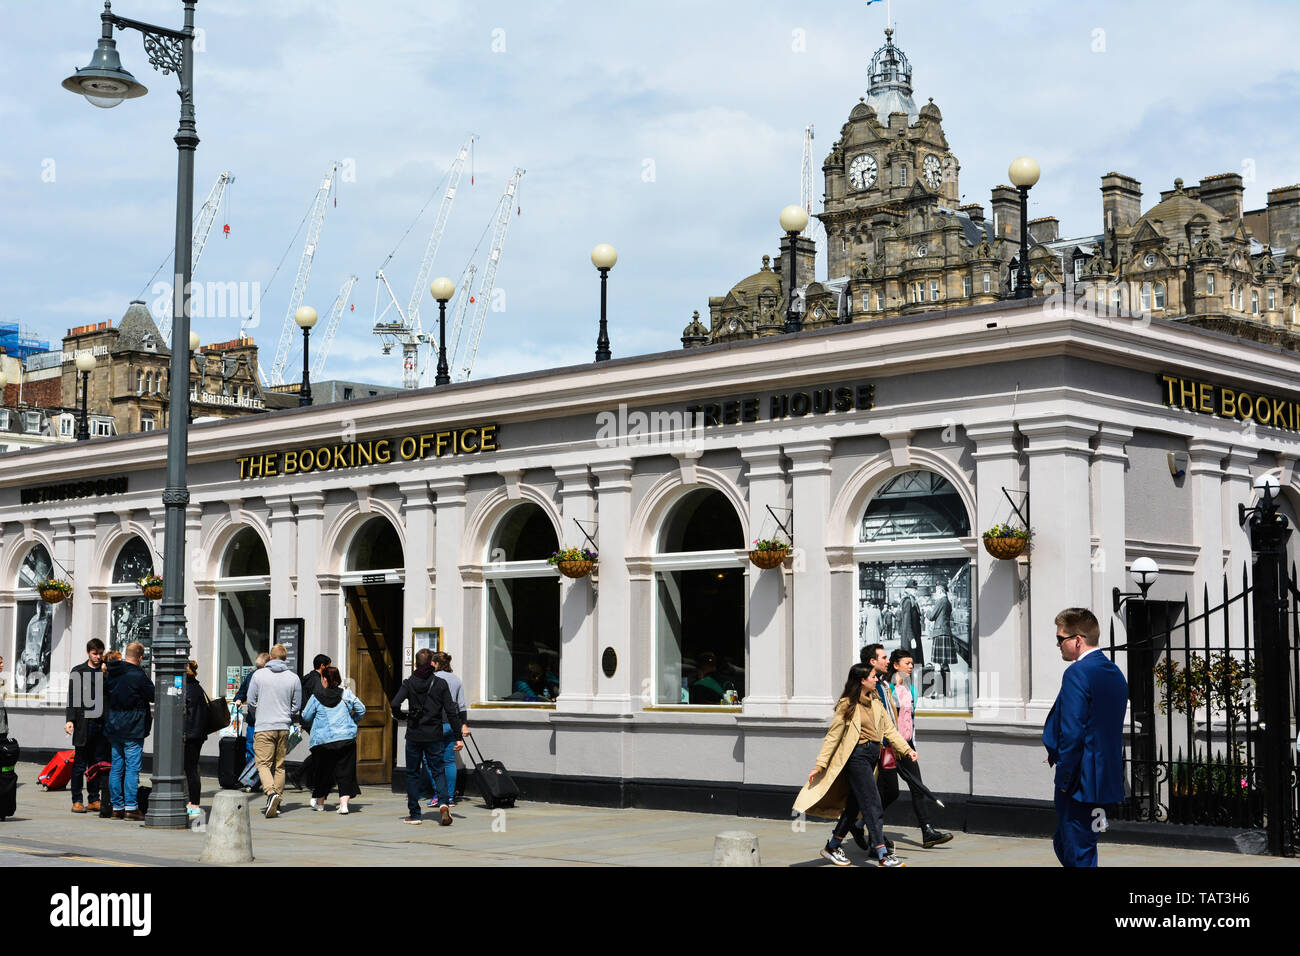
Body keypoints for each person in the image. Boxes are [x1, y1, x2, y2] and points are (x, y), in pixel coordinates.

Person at [793, 663, 916, 867]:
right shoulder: (847, 704)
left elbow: (890, 730)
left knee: (854, 806)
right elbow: (833, 736)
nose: (877, 679)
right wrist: (820, 765)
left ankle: (832, 847)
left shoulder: (875, 702)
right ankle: (883, 855)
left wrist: (906, 750)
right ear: (862, 680)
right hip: (856, 758)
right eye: (873, 676)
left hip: (871, 758)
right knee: (873, 804)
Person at [1043, 607, 1127, 867]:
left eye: (1060, 639)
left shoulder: (1077, 673)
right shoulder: (1114, 672)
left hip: (1081, 783)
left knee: (1078, 850)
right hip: (1106, 781)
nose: (1058, 645)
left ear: (1077, 640)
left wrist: (1064, 779)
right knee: (1073, 843)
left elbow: (1072, 732)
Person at [882, 648, 953, 848]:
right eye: (907, 663)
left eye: (912, 664)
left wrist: (912, 744)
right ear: (896, 665)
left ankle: (928, 832)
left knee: (918, 787)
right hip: (889, 748)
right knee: (888, 792)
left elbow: (910, 720)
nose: (911, 667)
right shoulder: (886, 689)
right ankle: (864, 824)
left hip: (907, 745)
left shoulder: (910, 689)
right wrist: (893, 745)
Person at [392, 648, 463, 826]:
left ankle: (415, 815)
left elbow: (394, 703)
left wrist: (402, 717)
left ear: (415, 664)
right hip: (434, 735)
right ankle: (444, 802)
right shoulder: (440, 683)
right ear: (432, 663)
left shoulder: (409, 683)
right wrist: (458, 736)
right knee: (438, 770)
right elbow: (451, 712)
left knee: (413, 774)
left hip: (415, 735)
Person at [247, 644, 302, 819]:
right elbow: (296, 706)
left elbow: (251, 702)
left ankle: (271, 794)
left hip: (264, 725)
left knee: (263, 764)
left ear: (270, 657)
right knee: (279, 765)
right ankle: (277, 801)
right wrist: (286, 714)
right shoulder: (293, 678)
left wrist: (259, 715)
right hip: (283, 727)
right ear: (285, 658)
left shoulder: (259, 675)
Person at [300, 665, 365, 814]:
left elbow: (305, 716)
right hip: (346, 738)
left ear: (324, 679)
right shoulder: (346, 694)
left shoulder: (316, 696)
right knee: (346, 771)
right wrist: (353, 721)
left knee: (322, 772)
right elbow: (361, 709)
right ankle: (344, 805)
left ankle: (320, 803)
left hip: (323, 741)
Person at [104, 641, 154, 821]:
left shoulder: (112, 672)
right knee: (132, 769)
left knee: (117, 768)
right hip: (133, 726)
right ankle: (131, 808)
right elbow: (153, 695)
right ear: (140, 658)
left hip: (114, 725)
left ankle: (117, 806)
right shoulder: (138, 675)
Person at [65, 639, 109, 814]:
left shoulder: (106, 671)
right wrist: (70, 720)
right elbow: (73, 699)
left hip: (101, 723)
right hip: (84, 723)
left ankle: (94, 798)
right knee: (80, 764)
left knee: (97, 763)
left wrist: (106, 675)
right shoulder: (78, 671)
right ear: (88, 653)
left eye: (100, 653)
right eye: (95, 653)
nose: (98, 657)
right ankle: (77, 800)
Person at [428, 651, 469, 809]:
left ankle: (439, 794)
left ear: (436, 664)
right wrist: (463, 723)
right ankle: (450, 797)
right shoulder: (456, 680)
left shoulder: (433, 679)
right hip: (453, 723)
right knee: (449, 760)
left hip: (436, 723)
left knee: (430, 759)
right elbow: (462, 705)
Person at [293, 654, 332, 791]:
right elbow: (319, 699)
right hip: (314, 719)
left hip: (307, 718)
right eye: (328, 666)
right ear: (322, 666)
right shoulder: (316, 681)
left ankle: (308, 780)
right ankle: (298, 775)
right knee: (321, 751)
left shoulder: (308, 677)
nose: (329, 668)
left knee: (319, 750)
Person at [232, 652, 269, 792]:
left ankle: (250, 781)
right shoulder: (258, 676)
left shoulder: (251, 676)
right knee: (261, 751)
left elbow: (241, 693)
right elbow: (242, 693)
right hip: (263, 721)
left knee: (252, 750)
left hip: (255, 721)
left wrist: (239, 699)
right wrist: (239, 698)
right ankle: (257, 780)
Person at [181, 660, 212, 817]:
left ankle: (193, 803)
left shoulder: (183, 689)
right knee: (192, 768)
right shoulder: (197, 687)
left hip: (189, 734)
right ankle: (193, 802)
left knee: (190, 769)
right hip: (198, 734)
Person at [928, 584, 957, 699]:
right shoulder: (948, 602)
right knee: (945, 664)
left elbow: (931, 616)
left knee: (937, 664)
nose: (935, 594)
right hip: (946, 633)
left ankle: (936, 691)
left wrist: (928, 611)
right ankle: (947, 690)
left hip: (940, 633)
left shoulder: (940, 601)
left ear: (940, 591)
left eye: (936, 591)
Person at [897, 581, 925, 671]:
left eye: (916, 589)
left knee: (915, 663)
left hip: (914, 636)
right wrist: (912, 638)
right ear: (908, 590)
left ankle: (914, 683)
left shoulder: (911, 601)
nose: (915, 591)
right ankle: (910, 684)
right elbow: (907, 621)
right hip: (910, 638)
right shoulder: (908, 602)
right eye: (914, 589)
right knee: (911, 664)